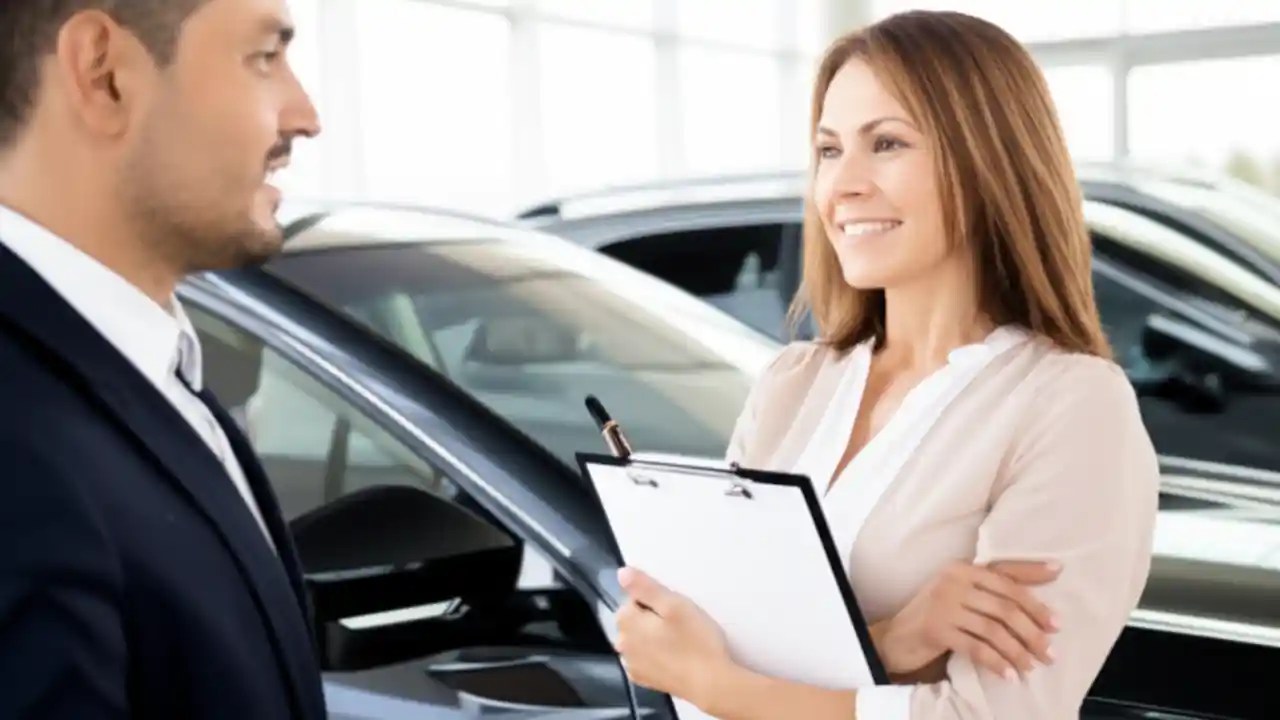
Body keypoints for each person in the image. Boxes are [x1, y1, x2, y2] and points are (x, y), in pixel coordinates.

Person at [611, 10, 1159, 720]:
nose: (844, 185)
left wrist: (722, 687)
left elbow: (990, 716)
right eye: (829, 150)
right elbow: (704, 652)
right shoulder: (793, 384)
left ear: (988, 159)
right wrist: (898, 641)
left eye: (888, 143)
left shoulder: (1072, 406)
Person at [0, 0, 322, 718]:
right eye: (264, 58)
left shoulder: (146, 372)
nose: (305, 115)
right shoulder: (19, 444)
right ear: (105, 73)